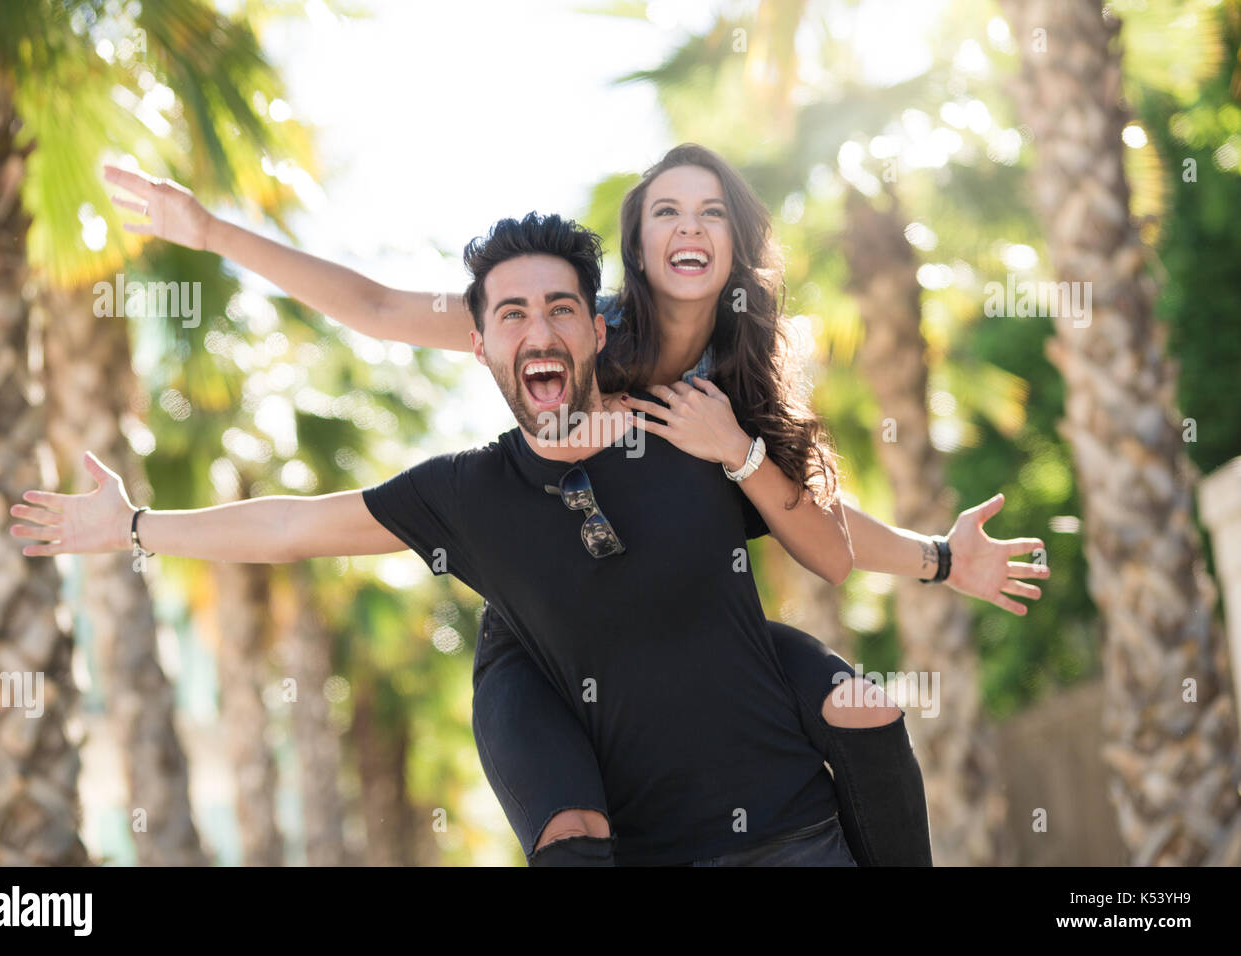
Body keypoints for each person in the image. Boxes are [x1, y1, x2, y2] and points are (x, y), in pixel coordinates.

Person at [102, 145, 1049, 865]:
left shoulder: (738, 392)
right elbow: (381, 311)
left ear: (738, 244)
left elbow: (812, 523)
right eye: (667, 211)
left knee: (861, 705)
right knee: (571, 822)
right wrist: (212, 232)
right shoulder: (571, 319)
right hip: (542, 615)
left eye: (711, 214)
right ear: (635, 247)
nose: (688, 229)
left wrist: (936, 556)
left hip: (680, 605)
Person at [13, 213, 866, 865]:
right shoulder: (464, 494)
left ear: (599, 330)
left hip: (792, 829)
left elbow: (828, 531)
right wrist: (134, 526)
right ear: (480, 346)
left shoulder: (694, 430)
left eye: (561, 310)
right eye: (512, 315)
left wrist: (927, 554)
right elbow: (291, 524)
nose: (539, 332)